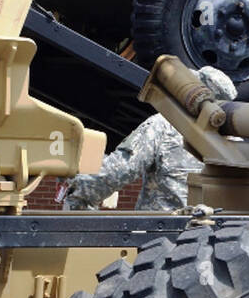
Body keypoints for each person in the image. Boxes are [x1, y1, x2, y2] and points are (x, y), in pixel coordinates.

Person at [59, 67, 237, 212]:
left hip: (159, 242)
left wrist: (76, 185)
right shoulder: (237, 141)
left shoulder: (165, 125)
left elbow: (119, 171)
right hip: (211, 243)